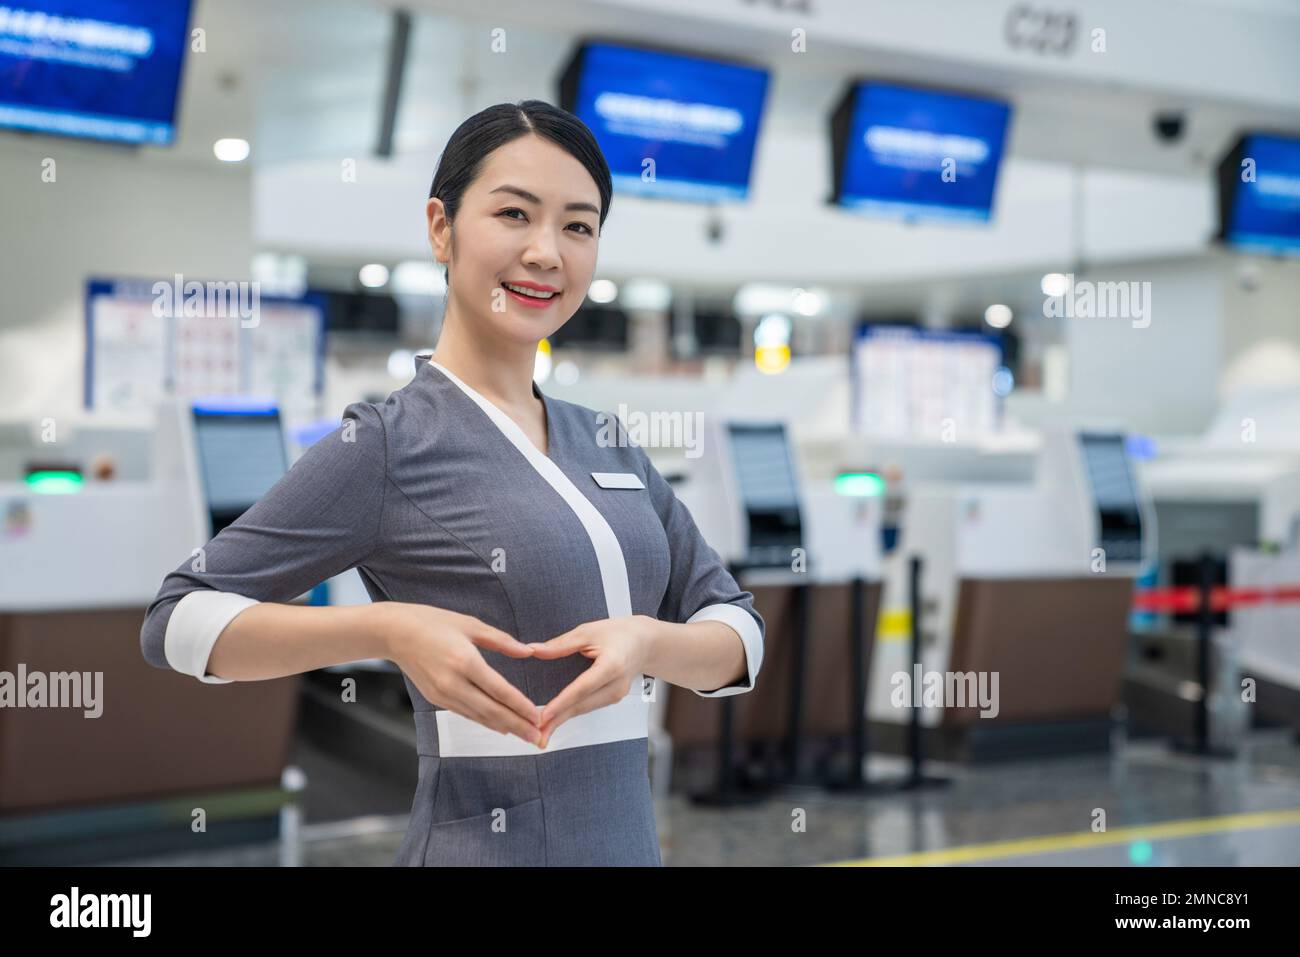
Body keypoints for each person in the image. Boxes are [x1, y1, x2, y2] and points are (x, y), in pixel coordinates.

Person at [139, 99, 765, 866]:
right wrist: (388, 631)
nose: (546, 252)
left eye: (578, 226)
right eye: (514, 214)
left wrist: (648, 641)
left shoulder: (606, 440)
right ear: (441, 227)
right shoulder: (388, 442)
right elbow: (176, 619)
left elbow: (738, 631)